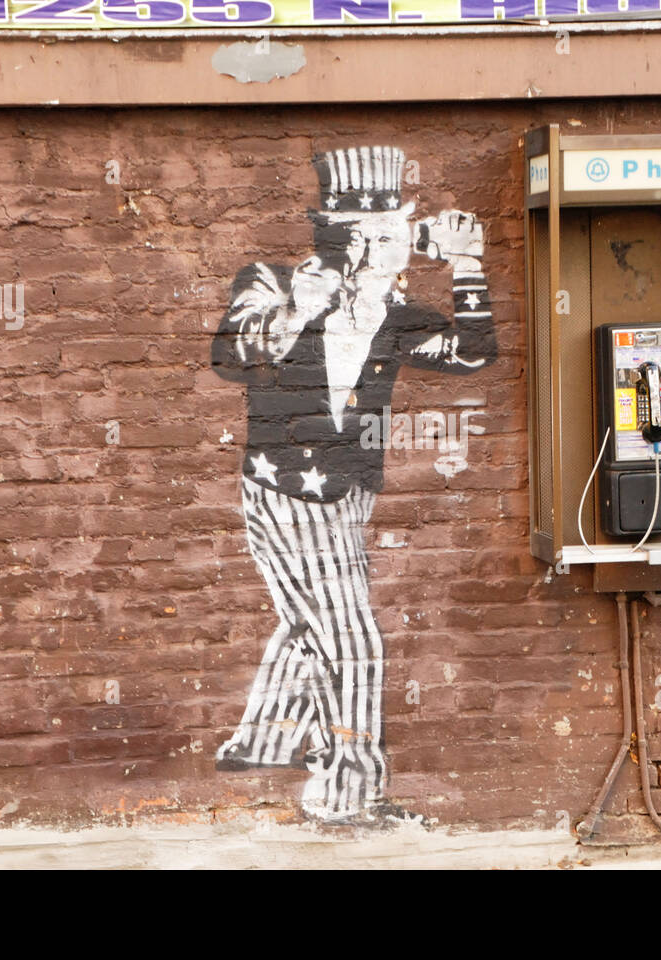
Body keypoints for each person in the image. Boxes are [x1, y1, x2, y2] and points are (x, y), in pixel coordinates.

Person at [210, 145, 496, 823]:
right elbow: (233, 354)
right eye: (354, 236)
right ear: (327, 233)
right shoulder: (272, 283)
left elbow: (470, 353)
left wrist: (469, 263)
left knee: (314, 620)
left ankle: (264, 739)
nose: (369, 252)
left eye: (386, 235)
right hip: (283, 492)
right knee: (354, 642)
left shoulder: (397, 318)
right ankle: (348, 796)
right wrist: (297, 312)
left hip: (348, 494)